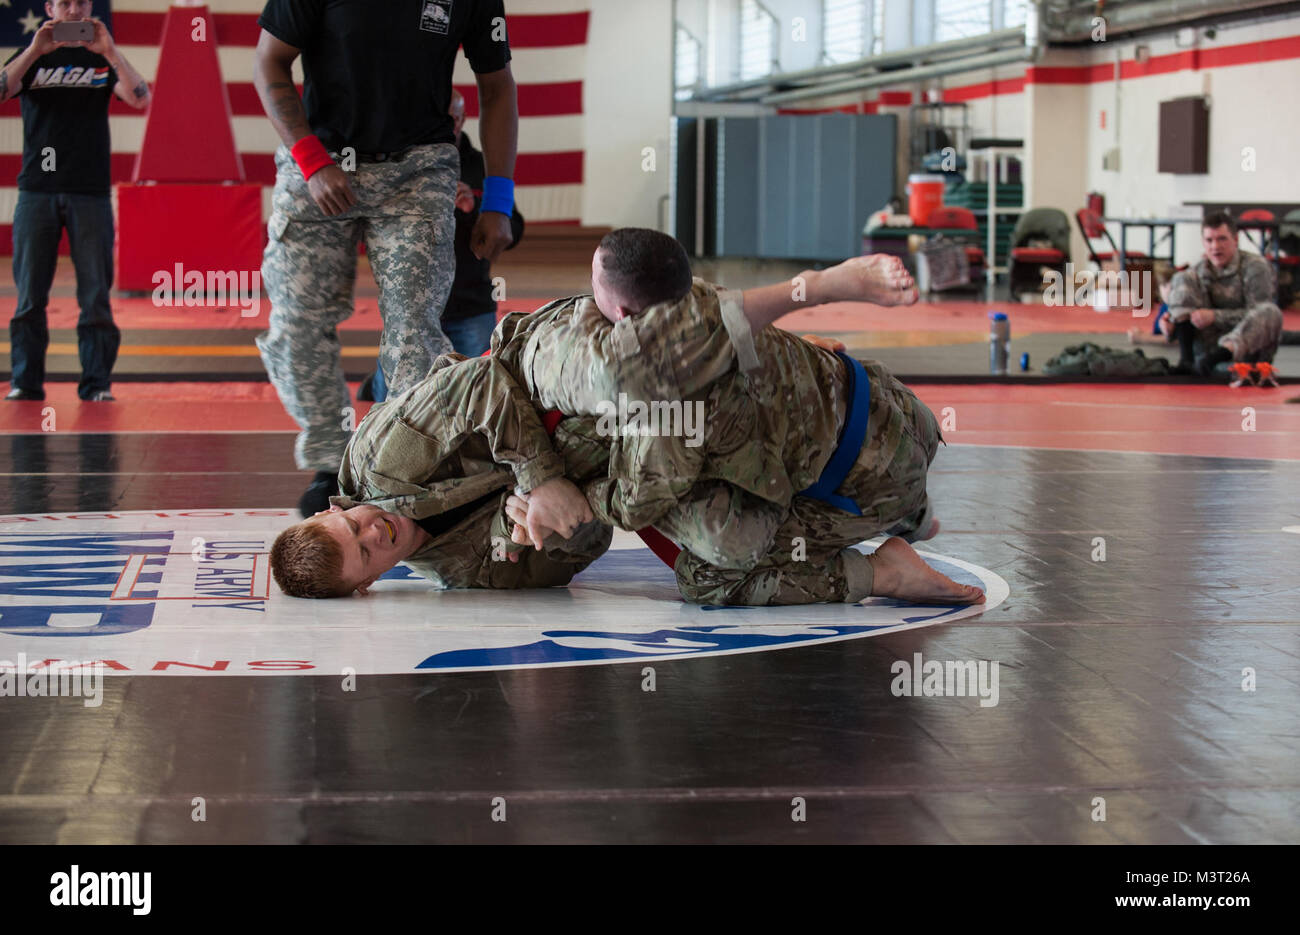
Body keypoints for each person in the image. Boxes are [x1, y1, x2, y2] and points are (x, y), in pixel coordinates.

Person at [271, 233, 983, 607]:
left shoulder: (376, 460)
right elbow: (584, 548)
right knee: (722, 564)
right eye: (365, 550)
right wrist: (545, 526)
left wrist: (539, 476)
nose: (372, 529)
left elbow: (481, 385)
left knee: (621, 374)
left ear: (339, 504)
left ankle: (814, 286)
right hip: (613, 459)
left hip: (541, 371)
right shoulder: (463, 569)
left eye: (350, 523)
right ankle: (885, 560)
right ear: (368, 583)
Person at [252, 0, 519, 517]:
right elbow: (268, 62)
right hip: (319, 160)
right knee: (296, 321)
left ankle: (397, 466)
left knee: (414, 330)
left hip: (417, 170)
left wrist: (498, 200)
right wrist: (311, 159)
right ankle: (332, 461)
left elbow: (497, 86)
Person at [3, 0, 152, 402]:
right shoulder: (33, 55)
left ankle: (96, 385)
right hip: (37, 189)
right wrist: (35, 49)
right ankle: (26, 382)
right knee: (30, 297)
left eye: (80, 2)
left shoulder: (101, 58)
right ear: (50, 7)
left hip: (90, 192)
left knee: (95, 298)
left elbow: (141, 98)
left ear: (90, 7)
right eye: (64, 3)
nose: (73, 11)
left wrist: (109, 50)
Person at [360, 89, 524, 400]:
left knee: (475, 392)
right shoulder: (401, 161)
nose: (444, 124)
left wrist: (475, 210)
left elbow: (513, 227)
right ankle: (379, 381)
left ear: (462, 119)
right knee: (391, 399)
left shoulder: (486, 167)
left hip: (470, 303)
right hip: (412, 301)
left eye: (451, 118)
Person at [1166, 212, 1284, 377]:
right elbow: (1183, 315)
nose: (1215, 246)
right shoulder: (1196, 272)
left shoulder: (1256, 267)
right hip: (1204, 353)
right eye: (1209, 240)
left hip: (1246, 354)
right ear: (1203, 243)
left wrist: (1215, 316)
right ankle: (1187, 362)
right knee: (1181, 278)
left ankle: (1216, 359)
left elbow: (1259, 316)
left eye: (1222, 239)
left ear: (1235, 240)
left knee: (1271, 312)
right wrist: (1171, 327)